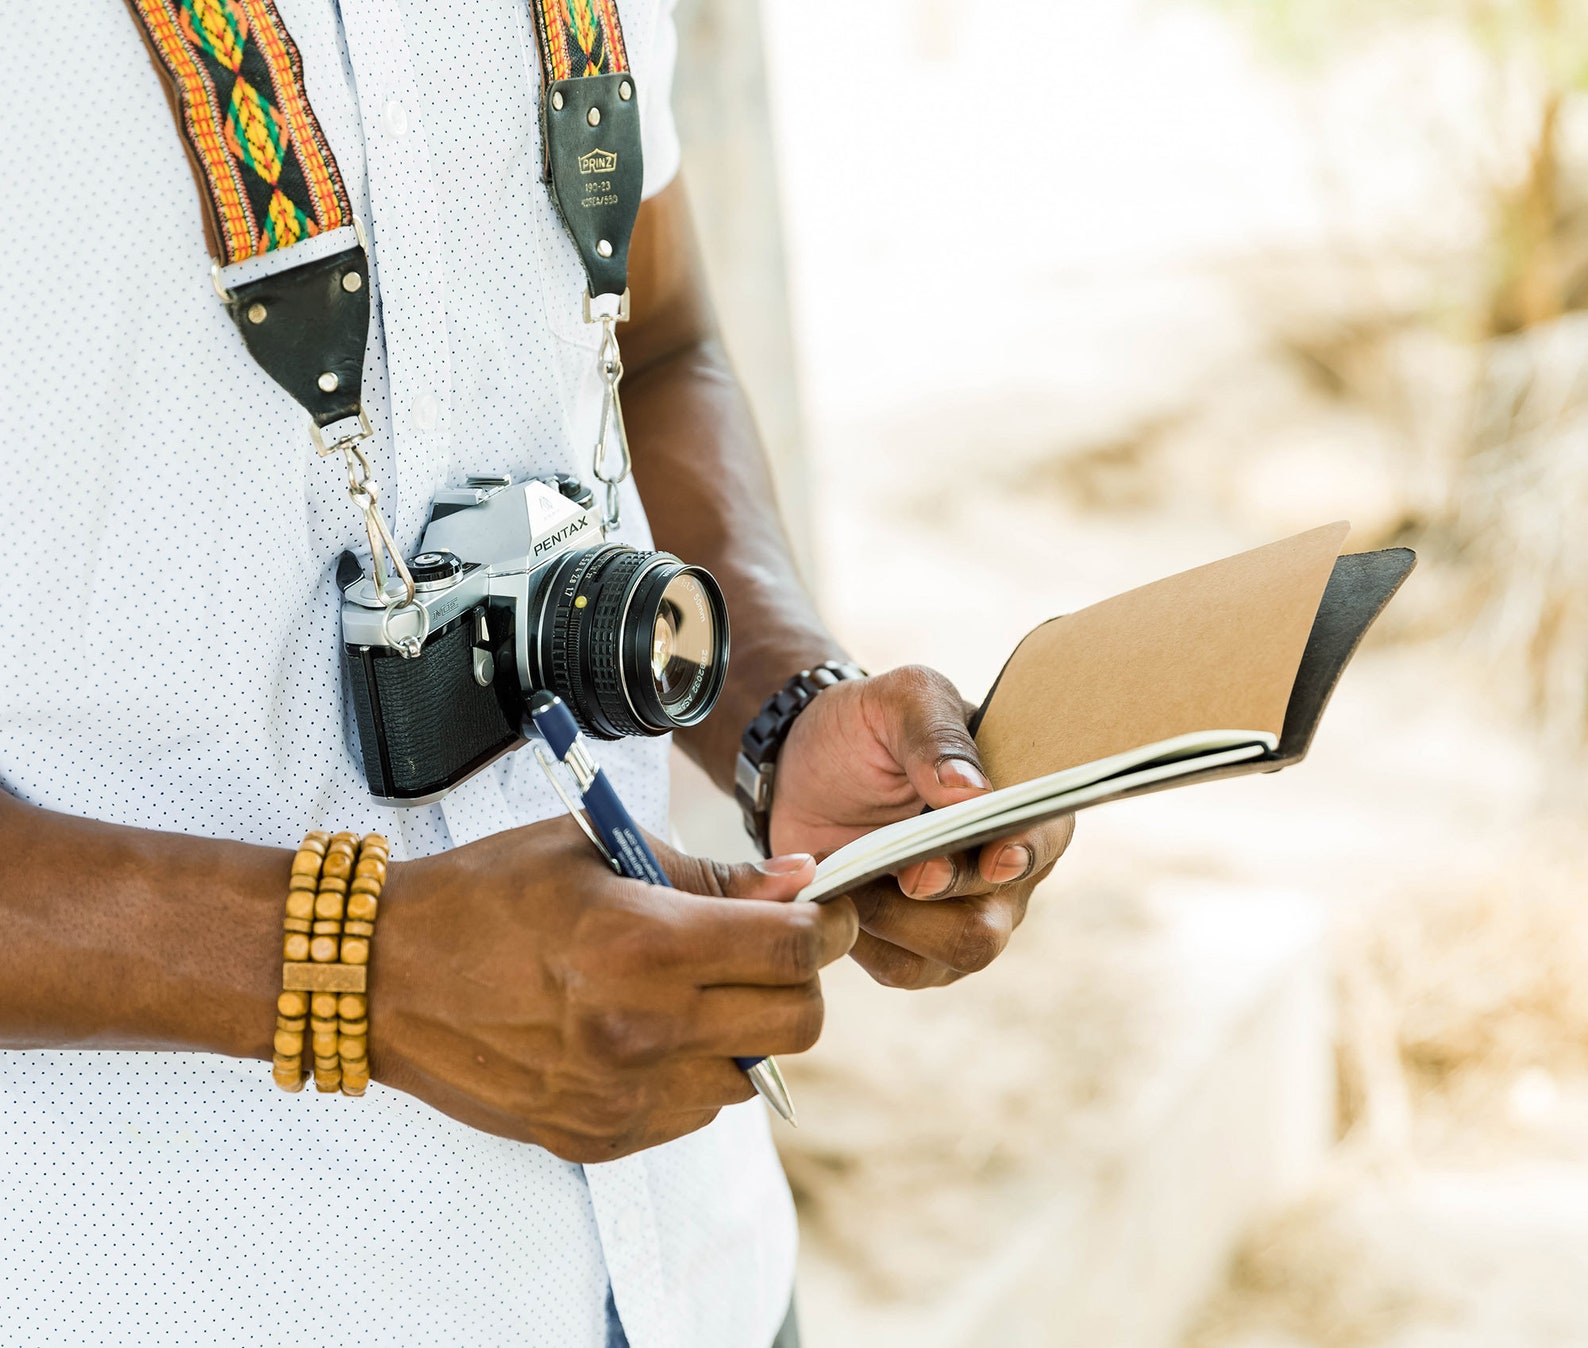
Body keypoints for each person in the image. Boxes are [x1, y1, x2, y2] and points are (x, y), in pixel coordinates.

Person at [0, 1, 1073, 1345]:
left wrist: (782, 710)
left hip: (692, 1266)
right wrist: (358, 968)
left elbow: (652, 339)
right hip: (193, 1289)